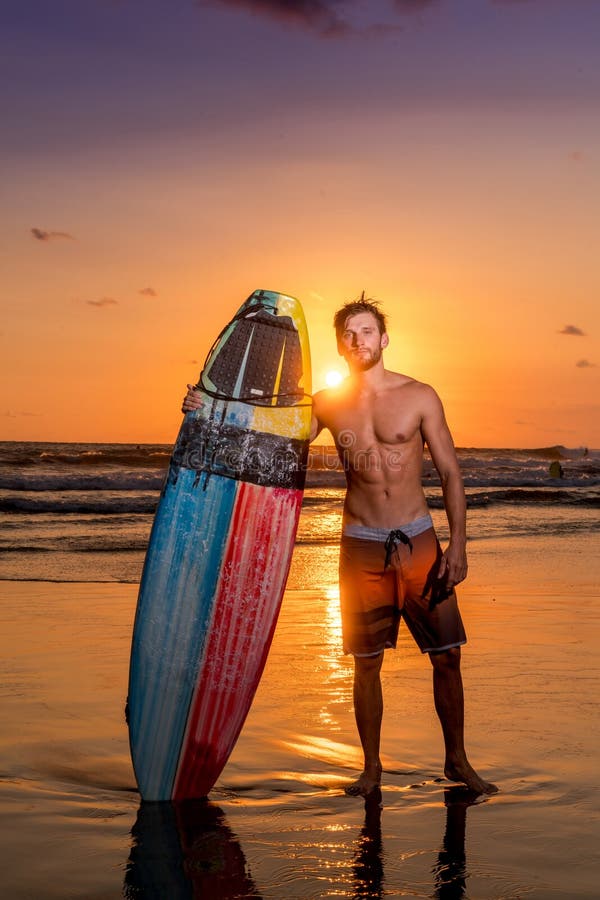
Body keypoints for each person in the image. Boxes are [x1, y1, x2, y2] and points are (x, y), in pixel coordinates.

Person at [182, 295, 497, 798]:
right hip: (360, 547)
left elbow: (451, 472)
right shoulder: (327, 402)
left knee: (447, 657)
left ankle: (457, 760)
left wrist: (457, 546)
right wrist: (209, 409)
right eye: (349, 334)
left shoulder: (420, 395)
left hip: (418, 542)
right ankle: (370, 769)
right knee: (365, 662)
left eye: (367, 331)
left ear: (383, 338)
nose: (358, 340)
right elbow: (270, 433)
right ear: (341, 345)